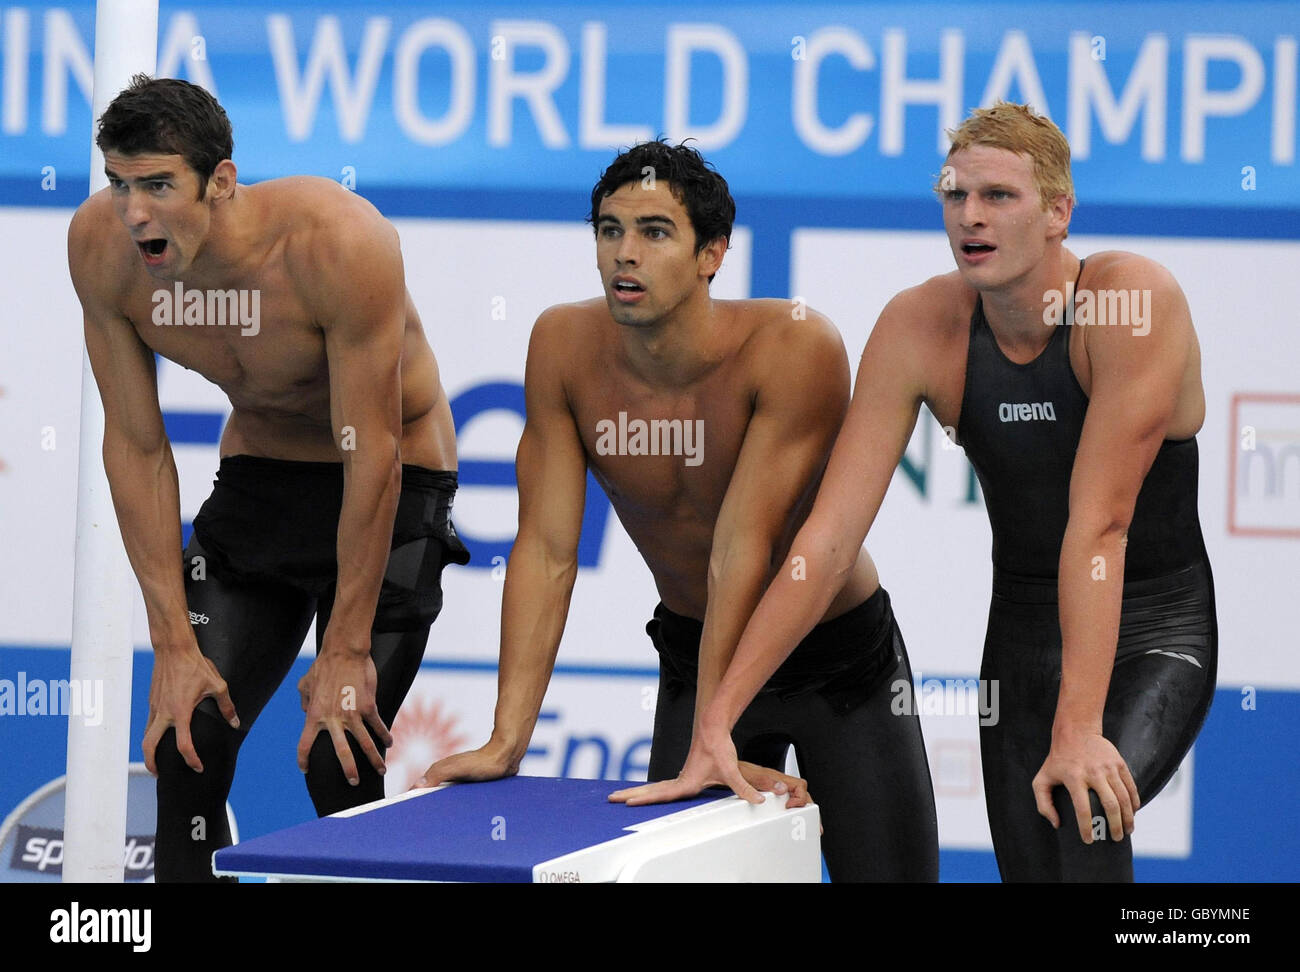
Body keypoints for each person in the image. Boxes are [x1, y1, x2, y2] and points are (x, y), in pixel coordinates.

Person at [646, 102, 1217, 882]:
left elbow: (1101, 528)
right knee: (1032, 865)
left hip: (1152, 618)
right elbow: (828, 540)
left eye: (998, 197)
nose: (969, 218)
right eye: (955, 195)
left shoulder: (1129, 302)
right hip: (1023, 626)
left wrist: (1079, 727)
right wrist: (719, 718)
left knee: (1081, 814)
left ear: (1058, 213)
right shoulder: (921, 325)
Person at [419, 140, 939, 882]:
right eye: (609, 230)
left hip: (839, 664)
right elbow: (545, 550)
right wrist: (509, 737)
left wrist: (716, 726)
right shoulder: (563, 346)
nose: (624, 254)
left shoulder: (791, 344)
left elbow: (743, 543)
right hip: (695, 653)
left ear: (712, 254)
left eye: (655, 232)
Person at [67, 75, 468, 882]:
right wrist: (173, 645)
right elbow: (137, 447)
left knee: (339, 756)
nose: (134, 211)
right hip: (262, 478)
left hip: (393, 479)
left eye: (157, 185)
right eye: (119, 184)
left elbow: (372, 450)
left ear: (220, 182)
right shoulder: (103, 251)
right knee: (189, 741)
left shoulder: (336, 243)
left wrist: (347, 646)